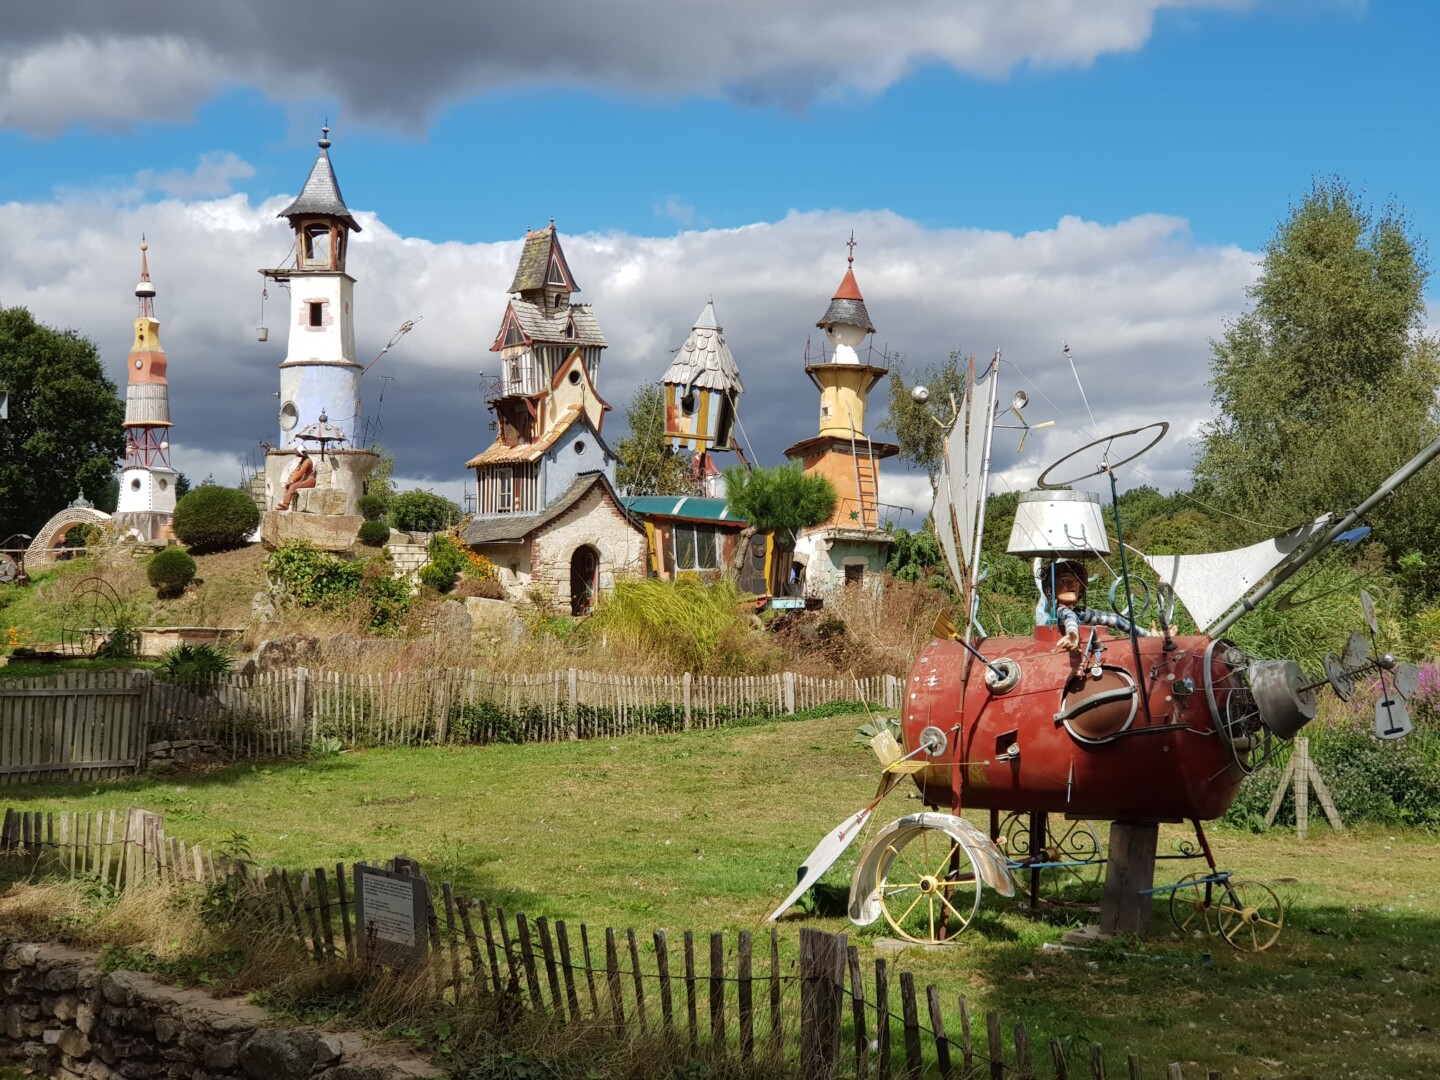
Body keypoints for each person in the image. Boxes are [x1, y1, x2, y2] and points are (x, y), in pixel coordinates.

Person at [1039, 559, 1153, 651]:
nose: (1071, 585)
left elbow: (1115, 619)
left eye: (1076, 581)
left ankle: (1153, 636)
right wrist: (1073, 635)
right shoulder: (1063, 612)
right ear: (1050, 591)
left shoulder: (1080, 613)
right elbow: (1070, 618)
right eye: (1063, 581)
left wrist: (1148, 635)